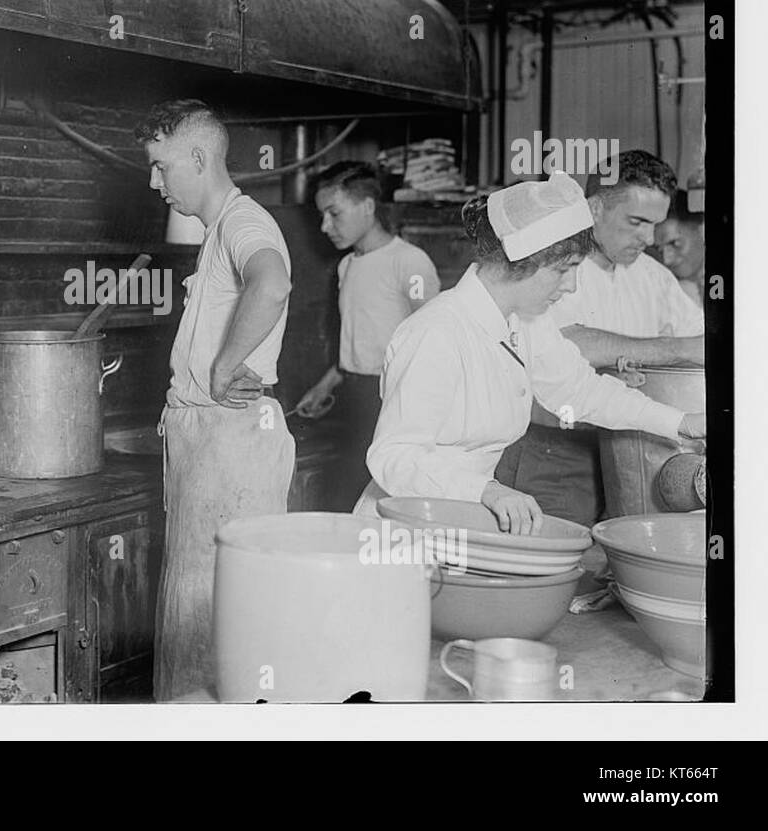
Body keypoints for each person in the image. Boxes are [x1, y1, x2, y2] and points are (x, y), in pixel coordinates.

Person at [357, 172, 705, 533]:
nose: (571, 286)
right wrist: (487, 491)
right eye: (564, 270)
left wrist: (681, 423)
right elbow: (394, 454)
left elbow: (583, 391)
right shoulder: (436, 332)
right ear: (524, 261)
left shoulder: (526, 322)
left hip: (461, 519)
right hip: (401, 526)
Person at [135, 99, 295, 702]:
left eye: (160, 166)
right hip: (214, 447)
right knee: (204, 612)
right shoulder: (220, 228)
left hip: (229, 449)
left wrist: (227, 364)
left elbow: (272, 282)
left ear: (198, 158)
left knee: (215, 617)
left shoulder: (241, 222)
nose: (155, 183)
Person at [496, 151, 704, 525]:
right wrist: (673, 349)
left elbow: (699, 343)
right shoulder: (549, 266)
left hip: (632, 446)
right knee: (557, 562)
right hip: (557, 450)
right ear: (594, 209)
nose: (650, 238)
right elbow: (564, 344)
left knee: (623, 563)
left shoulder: (653, 277)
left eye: (656, 224)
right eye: (637, 222)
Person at [294, 162, 439, 505]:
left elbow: (434, 345)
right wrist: (323, 386)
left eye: (334, 213)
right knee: (348, 498)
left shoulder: (410, 262)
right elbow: (359, 341)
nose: (325, 226)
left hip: (392, 401)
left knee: (380, 502)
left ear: (368, 207)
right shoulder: (347, 266)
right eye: (322, 216)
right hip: (354, 400)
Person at [655, 197, 705, 306]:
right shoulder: (675, 295)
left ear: (702, 230)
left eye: (674, 243)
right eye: (659, 250)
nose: (666, 260)